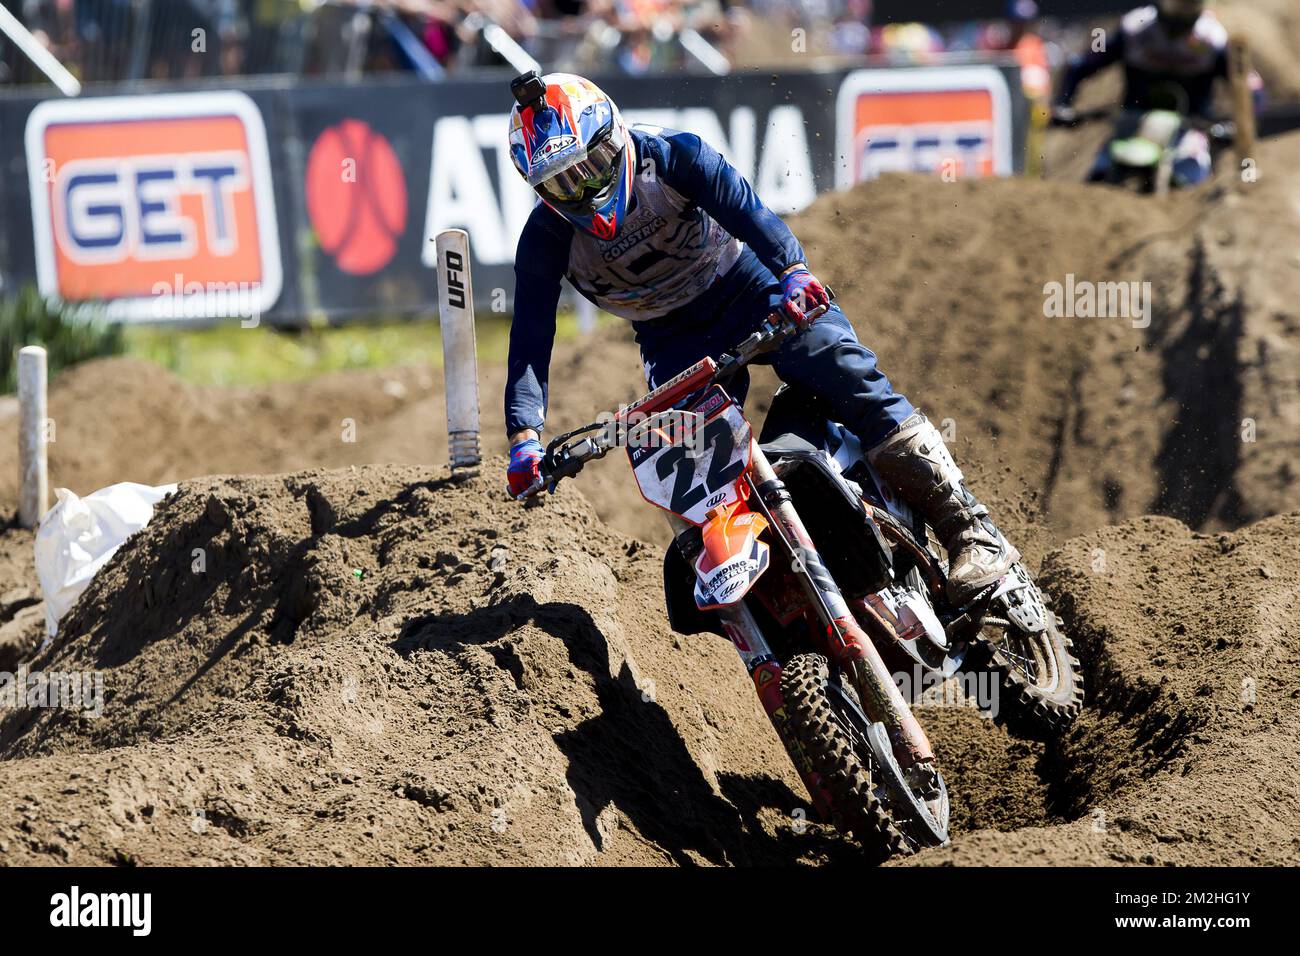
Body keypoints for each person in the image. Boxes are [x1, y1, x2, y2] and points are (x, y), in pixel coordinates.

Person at [502, 71, 1018, 604]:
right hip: (670, 336)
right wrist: (524, 438)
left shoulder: (675, 157)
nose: (582, 190)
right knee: (698, 470)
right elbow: (531, 340)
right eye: (562, 183)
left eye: (589, 169)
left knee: (844, 371)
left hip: (748, 288)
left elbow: (751, 214)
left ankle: (969, 529)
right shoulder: (543, 241)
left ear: (613, 139)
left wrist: (793, 270)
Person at [1051, 0, 1261, 186]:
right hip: (1132, 123)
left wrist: (1238, 125)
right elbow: (1082, 64)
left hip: (1189, 129)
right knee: (1099, 171)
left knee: (1194, 175)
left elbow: (1249, 88)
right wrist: (1064, 104)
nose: (1178, 22)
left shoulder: (1212, 38)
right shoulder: (1134, 28)